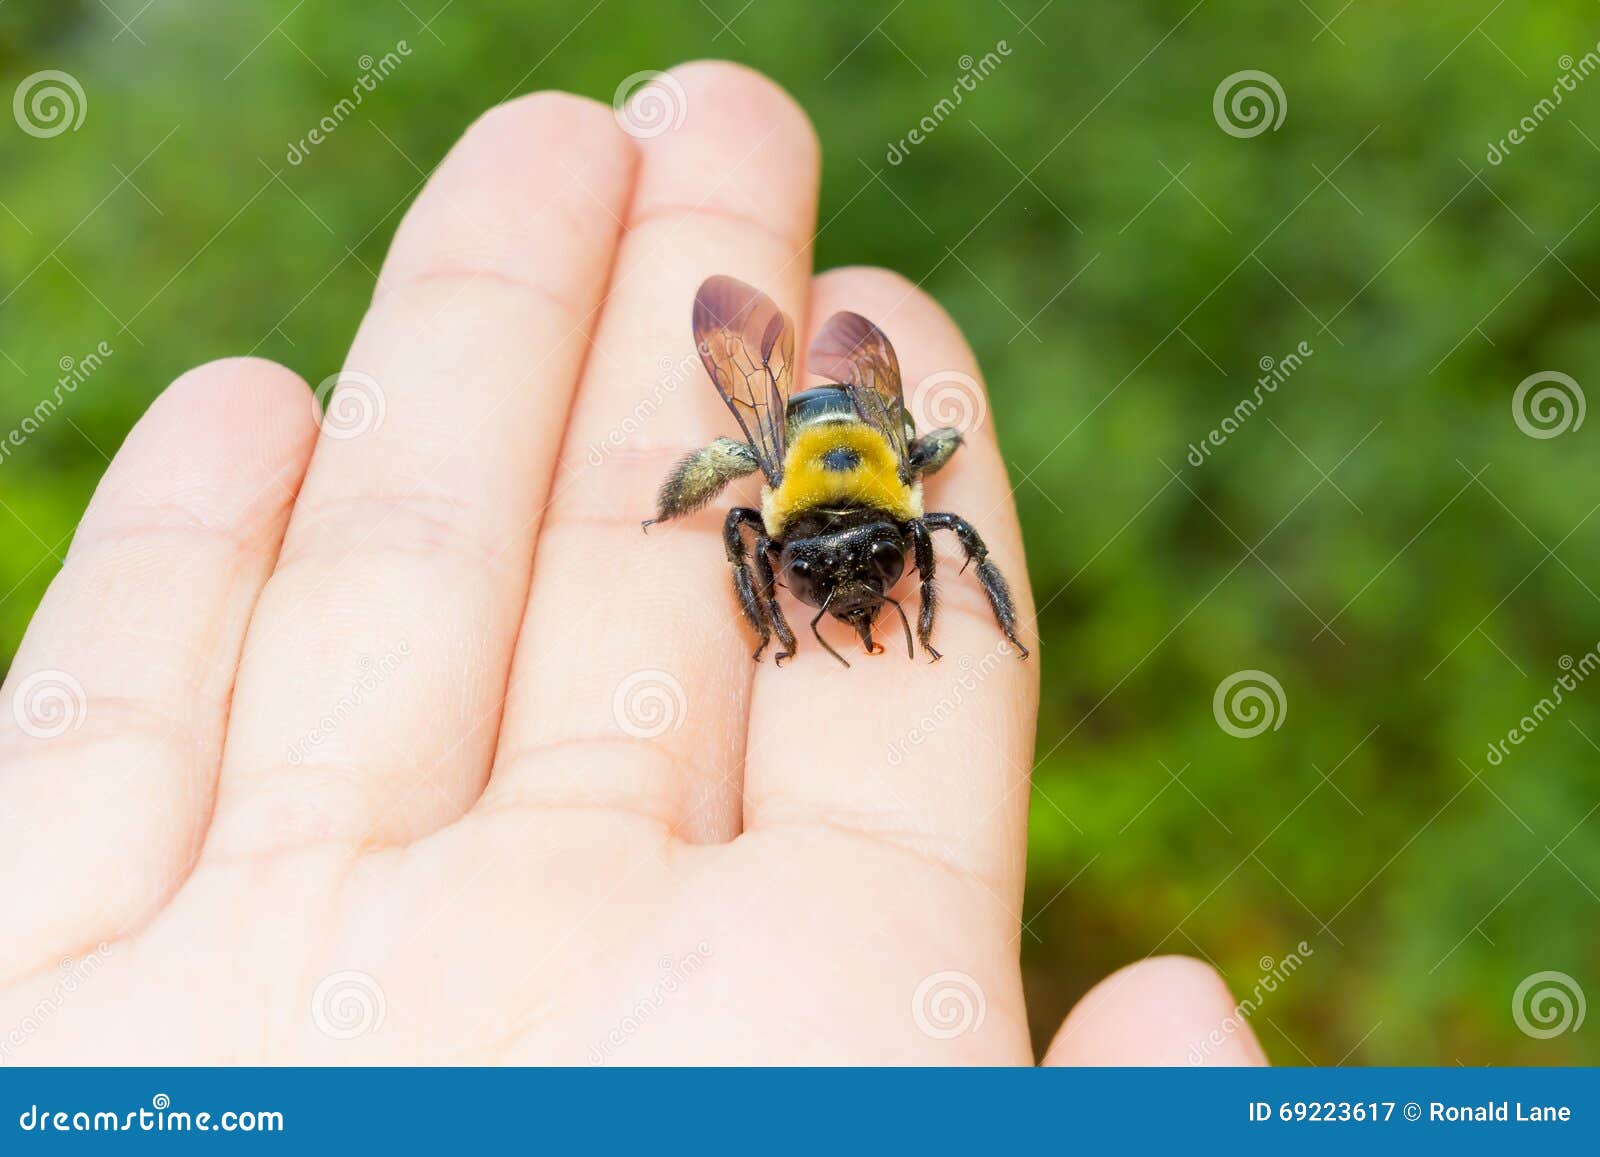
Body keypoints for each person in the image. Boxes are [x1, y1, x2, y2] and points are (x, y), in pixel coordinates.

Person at [0, 62, 1264, 1065]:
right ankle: (667, 509)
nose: (856, 582)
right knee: (711, 487)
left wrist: (944, 610)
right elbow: (750, 513)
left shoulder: (902, 489)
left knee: (939, 473)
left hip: (853, 416)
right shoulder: (768, 484)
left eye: (867, 567)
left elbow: (939, 509)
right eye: (828, 571)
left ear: (897, 506)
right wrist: (750, 596)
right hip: (795, 423)